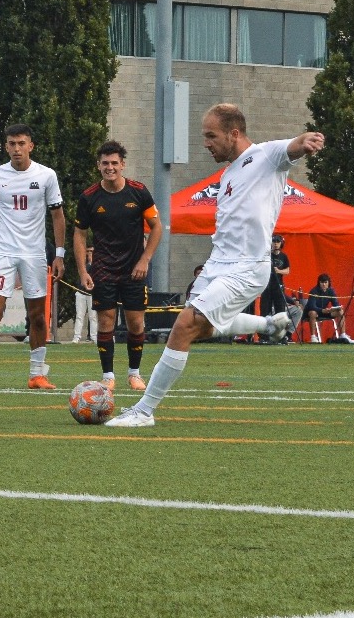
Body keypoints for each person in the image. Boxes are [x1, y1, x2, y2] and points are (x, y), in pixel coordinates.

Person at [107, 105, 320, 426]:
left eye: (211, 135)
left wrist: (306, 140)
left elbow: (291, 147)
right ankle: (270, 326)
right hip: (217, 266)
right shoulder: (230, 171)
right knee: (201, 328)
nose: (205, 143)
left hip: (247, 267)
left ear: (234, 134)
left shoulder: (265, 156)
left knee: (183, 326)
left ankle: (144, 411)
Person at [0, 123, 67, 391]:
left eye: (21, 143)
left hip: (35, 253)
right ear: (6, 147)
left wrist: (59, 254)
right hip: (3, 250)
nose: (17, 149)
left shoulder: (46, 176)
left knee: (37, 316)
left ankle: (37, 374)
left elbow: (58, 216)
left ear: (31, 146)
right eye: (12, 144)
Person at [73, 140, 163, 390]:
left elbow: (157, 228)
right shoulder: (89, 197)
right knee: (105, 322)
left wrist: (145, 259)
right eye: (105, 163)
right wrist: (83, 270)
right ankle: (108, 376)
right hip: (103, 269)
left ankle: (134, 373)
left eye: (114, 163)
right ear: (98, 166)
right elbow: (79, 234)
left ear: (122, 165)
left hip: (134, 269)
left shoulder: (138, 191)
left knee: (136, 323)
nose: (110, 167)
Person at [302, 273, 351, 343]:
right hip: (313, 313)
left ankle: (343, 335)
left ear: (328, 283)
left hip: (325, 312)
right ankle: (313, 337)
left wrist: (337, 308)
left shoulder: (331, 291)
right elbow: (311, 306)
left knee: (340, 312)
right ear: (319, 283)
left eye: (325, 282)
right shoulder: (314, 291)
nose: (324, 284)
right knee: (312, 313)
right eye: (322, 282)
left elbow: (335, 303)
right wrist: (322, 310)